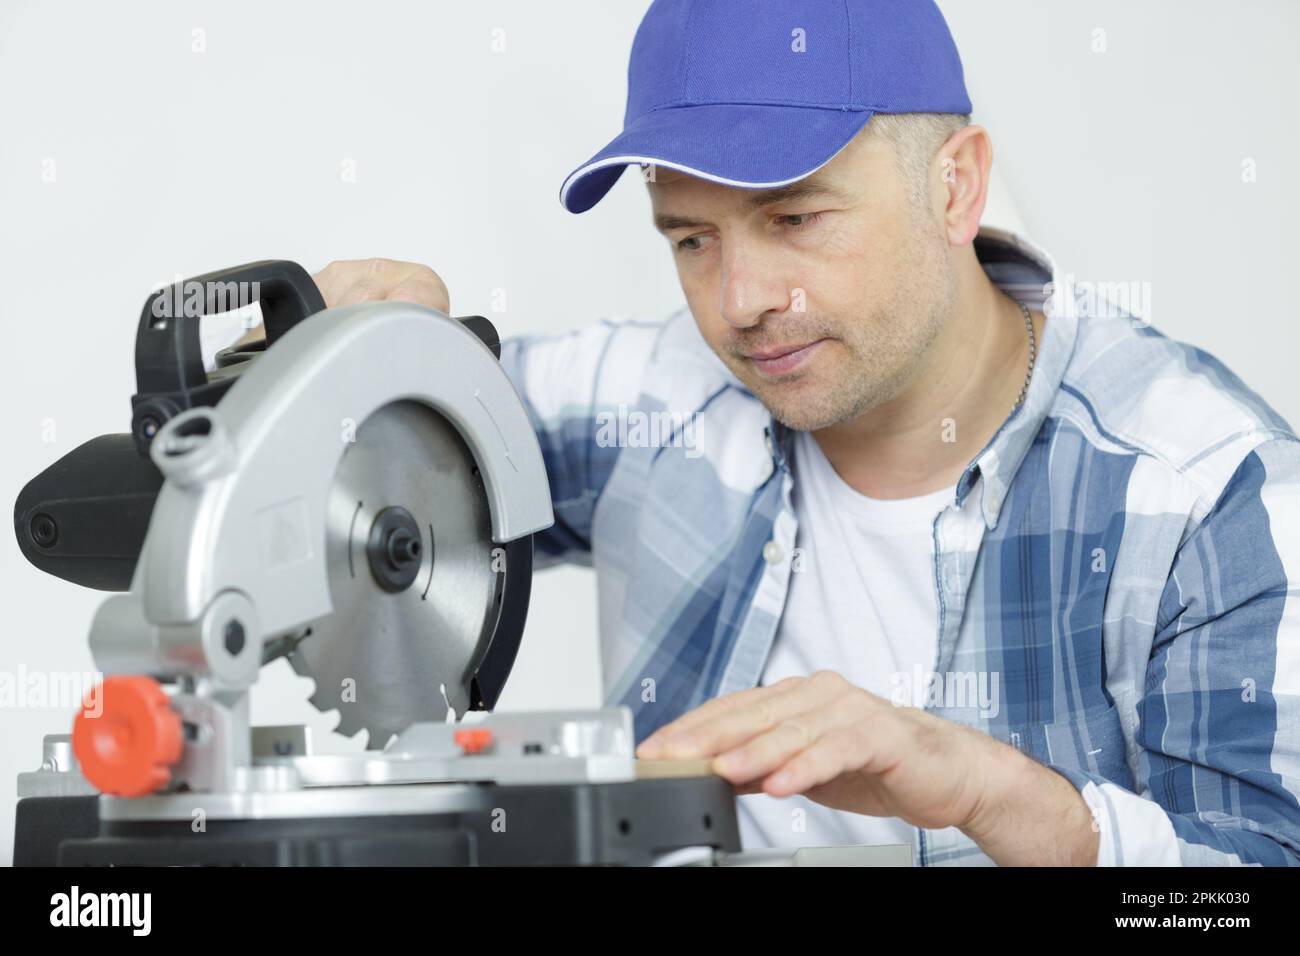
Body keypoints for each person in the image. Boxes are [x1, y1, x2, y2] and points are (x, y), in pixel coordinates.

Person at [301, 1, 1300, 865]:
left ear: (954, 186)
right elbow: (371, 470)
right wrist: (377, 357)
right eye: (692, 238)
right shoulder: (654, 395)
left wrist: (986, 791)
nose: (738, 303)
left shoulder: (1201, 490)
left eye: (795, 220)